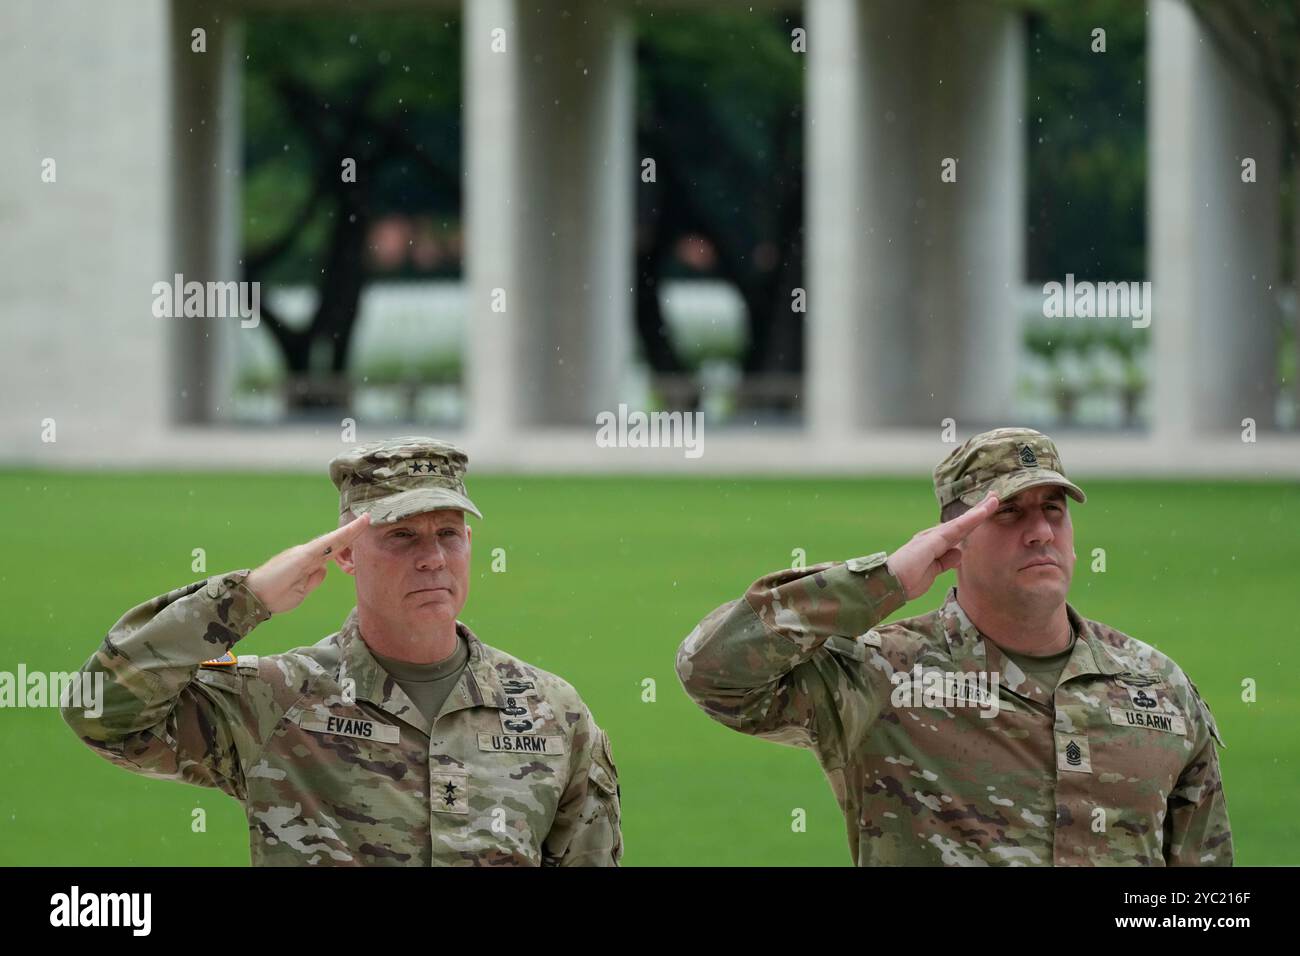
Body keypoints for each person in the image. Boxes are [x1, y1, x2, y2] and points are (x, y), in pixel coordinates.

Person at [676, 427, 1231, 866]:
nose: (1040, 532)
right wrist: (880, 581)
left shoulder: (1156, 687)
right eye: (1009, 512)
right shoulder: (884, 674)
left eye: (1054, 510)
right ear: (955, 536)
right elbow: (712, 670)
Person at [62, 437, 621, 866]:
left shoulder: (553, 712)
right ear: (346, 555)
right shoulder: (279, 698)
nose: (433, 558)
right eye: (402, 536)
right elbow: (103, 714)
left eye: (448, 533)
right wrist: (245, 599)